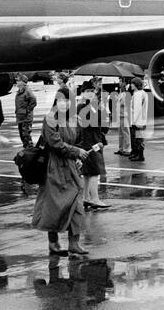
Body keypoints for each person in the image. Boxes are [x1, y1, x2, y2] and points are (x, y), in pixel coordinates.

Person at [32, 87, 93, 257]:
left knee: (77, 205)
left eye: (67, 101)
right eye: (60, 100)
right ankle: (53, 242)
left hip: (71, 167)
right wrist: (76, 151)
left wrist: (79, 155)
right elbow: (55, 143)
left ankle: (74, 243)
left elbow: (78, 139)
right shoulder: (50, 119)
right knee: (54, 207)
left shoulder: (73, 119)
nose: (63, 104)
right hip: (54, 168)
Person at [76, 82, 109, 211]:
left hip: (92, 140)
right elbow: (91, 124)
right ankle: (94, 198)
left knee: (88, 173)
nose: (91, 92)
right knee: (94, 171)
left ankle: (86, 197)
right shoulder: (84, 107)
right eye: (87, 90)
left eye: (92, 90)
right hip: (91, 142)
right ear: (83, 92)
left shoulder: (89, 106)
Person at [128, 82, 148, 162]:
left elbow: (137, 109)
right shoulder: (140, 93)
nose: (131, 85)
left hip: (138, 120)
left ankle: (140, 156)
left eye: (132, 84)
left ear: (136, 85)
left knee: (138, 139)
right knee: (136, 138)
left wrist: (136, 121)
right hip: (138, 119)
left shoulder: (139, 94)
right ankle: (137, 154)